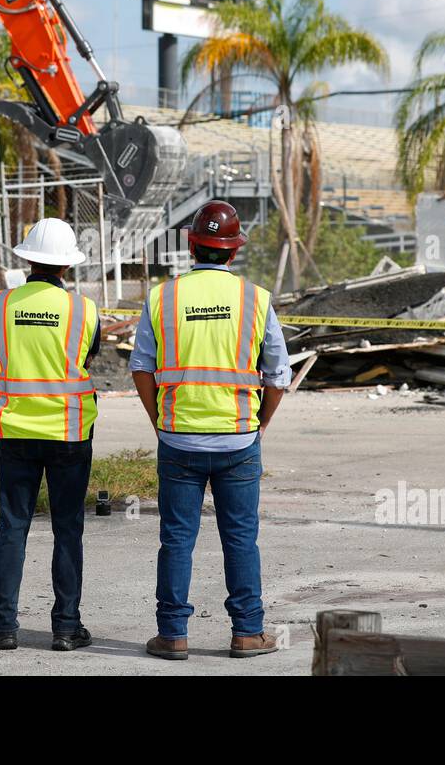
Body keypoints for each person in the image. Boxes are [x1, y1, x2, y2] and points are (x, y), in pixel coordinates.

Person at [129, 200, 290, 661]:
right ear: (234, 251)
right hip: (239, 440)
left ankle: (173, 635)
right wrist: (258, 424)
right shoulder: (256, 299)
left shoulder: (162, 297)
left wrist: (159, 419)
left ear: (190, 244)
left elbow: (141, 368)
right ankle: (247, 633)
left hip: (178, 437)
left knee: (176, 538)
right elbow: (278, 376)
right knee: (240, 538)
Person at [0, 218, 100, 652]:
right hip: (69, 433)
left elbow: (0, 351)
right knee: (68, 529)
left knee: (13, 526)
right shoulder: (84, 310)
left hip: (15, 433)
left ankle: (4, 627)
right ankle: (66, 628)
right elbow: (89, 354)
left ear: (28, 258)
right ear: (67, 266)